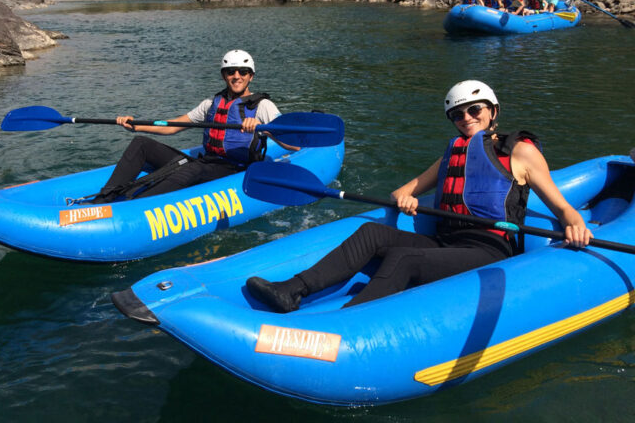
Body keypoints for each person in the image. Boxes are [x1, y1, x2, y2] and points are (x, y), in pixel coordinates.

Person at [245, 80, 592, 312]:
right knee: (372, 233)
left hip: (489, 249)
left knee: (404, 259)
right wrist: (408, 197)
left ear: (493, 112)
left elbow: (562, 208)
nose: (467, 118)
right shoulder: (453, 152)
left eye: (475, 110)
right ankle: (292, 290)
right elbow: (404, 190)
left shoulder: (518, 152)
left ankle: (347, 319)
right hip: (447, 242)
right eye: (458, 114)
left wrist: (575, 225)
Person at [91, 49, 284, 204]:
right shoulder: (210, 104)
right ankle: (103, 199)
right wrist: (136, 126)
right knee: (141, 143)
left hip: (234, 169)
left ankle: (134, 206)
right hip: (207, 162)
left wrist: (263, 127)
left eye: (243, 72)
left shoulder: (262, 106)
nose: (236, 76)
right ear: (223, 75)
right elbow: (172, 126)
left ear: (251, 76)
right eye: (230, 72)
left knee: (193, 169)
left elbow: (294, 145)